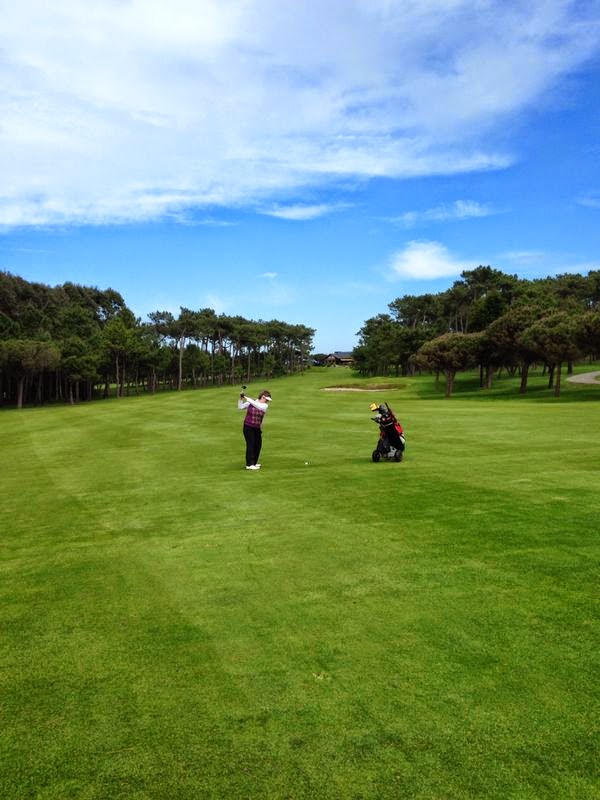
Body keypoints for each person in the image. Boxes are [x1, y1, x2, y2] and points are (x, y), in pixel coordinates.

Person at [238, 389, 272, 470]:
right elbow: (240, 407)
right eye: (266, 400)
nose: (267, 402)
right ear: (263, 397)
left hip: (256, 428)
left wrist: (246, 397)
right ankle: (249, 464)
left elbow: (258, 406)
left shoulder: (264, 406)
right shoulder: (252, 402)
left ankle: (254, 463)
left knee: (258, 445)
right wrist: (241, 399)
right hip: (248, 427)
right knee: (251, 444)